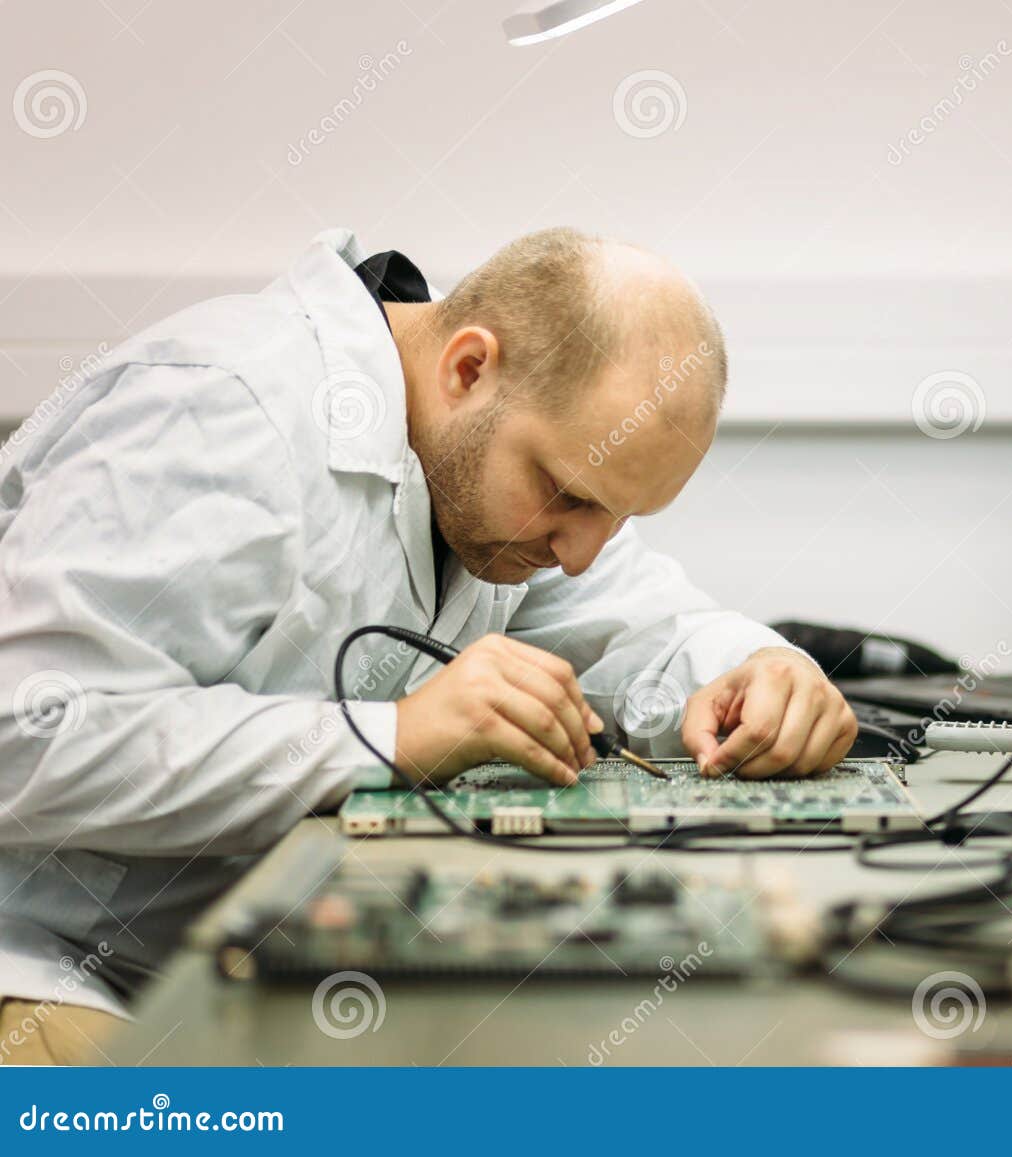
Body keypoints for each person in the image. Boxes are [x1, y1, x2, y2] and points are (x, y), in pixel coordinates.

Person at [0, 227, 857, 1062]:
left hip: (228, 957)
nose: (581, 548)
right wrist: (391, 737)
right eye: (566, 493)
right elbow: (27, 731)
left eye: (618, 515)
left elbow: (647, 623)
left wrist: (762, 670)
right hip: (39, 966)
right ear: (468, 368)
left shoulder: (484, 460)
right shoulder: (220, 411)